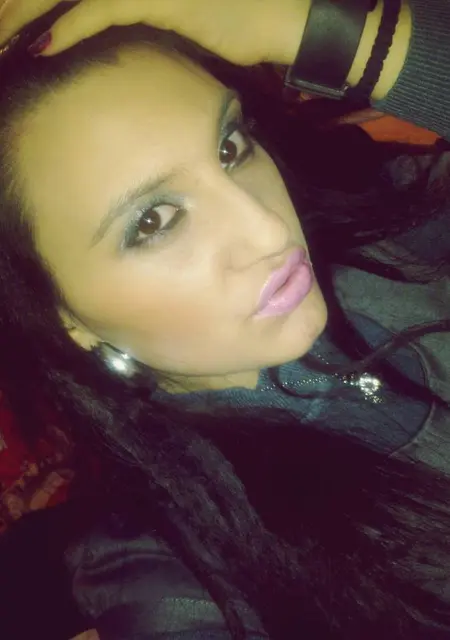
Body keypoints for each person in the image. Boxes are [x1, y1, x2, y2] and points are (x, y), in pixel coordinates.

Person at [0, 0, 448, 638]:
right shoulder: (171, 570)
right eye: (154, 221)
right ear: (67, 318)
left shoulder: (386, 241)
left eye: (231, 147)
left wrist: (314, 28)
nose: (269, 230)